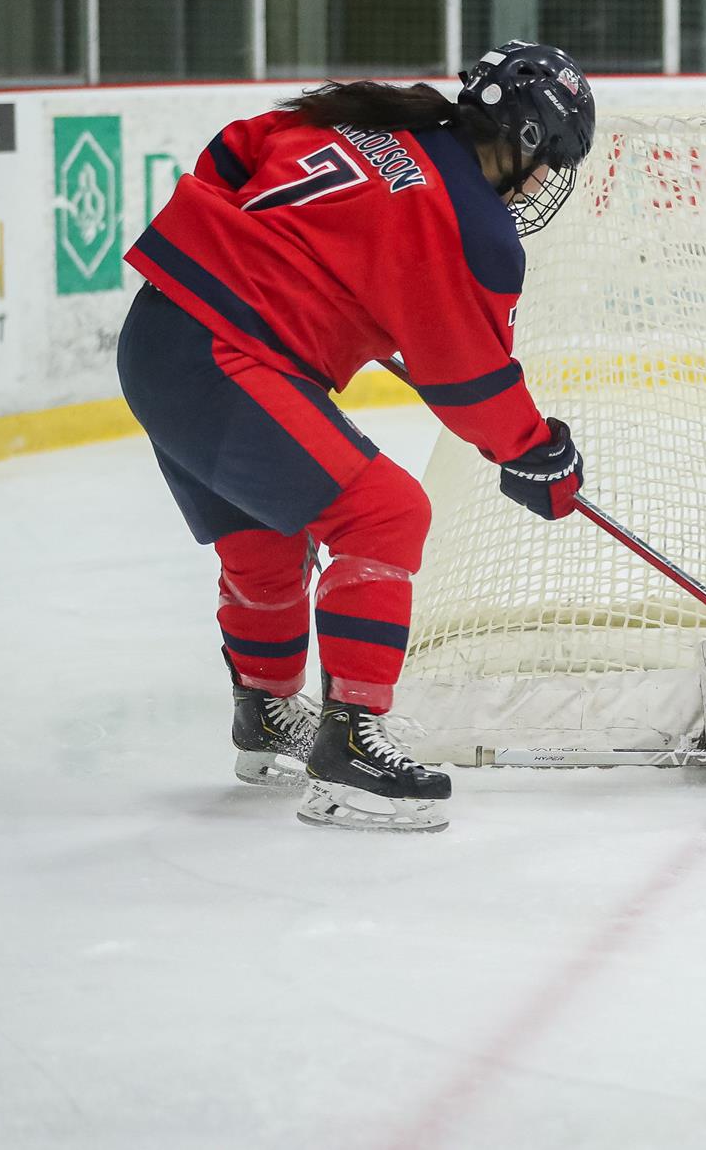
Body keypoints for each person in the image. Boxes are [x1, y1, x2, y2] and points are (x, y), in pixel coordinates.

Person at [116, 41, 597, 833]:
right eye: (551, 163)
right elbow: (468, 379)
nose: (545, 184)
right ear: (525, 139)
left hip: (159, 335)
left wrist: (302, 269)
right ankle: (350, 750)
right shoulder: (471, 220)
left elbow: (232, 152)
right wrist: (535, 449)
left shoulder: (366, 122)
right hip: (225, 358)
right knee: (385, 511)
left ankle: (267, 716)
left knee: (267, 534)